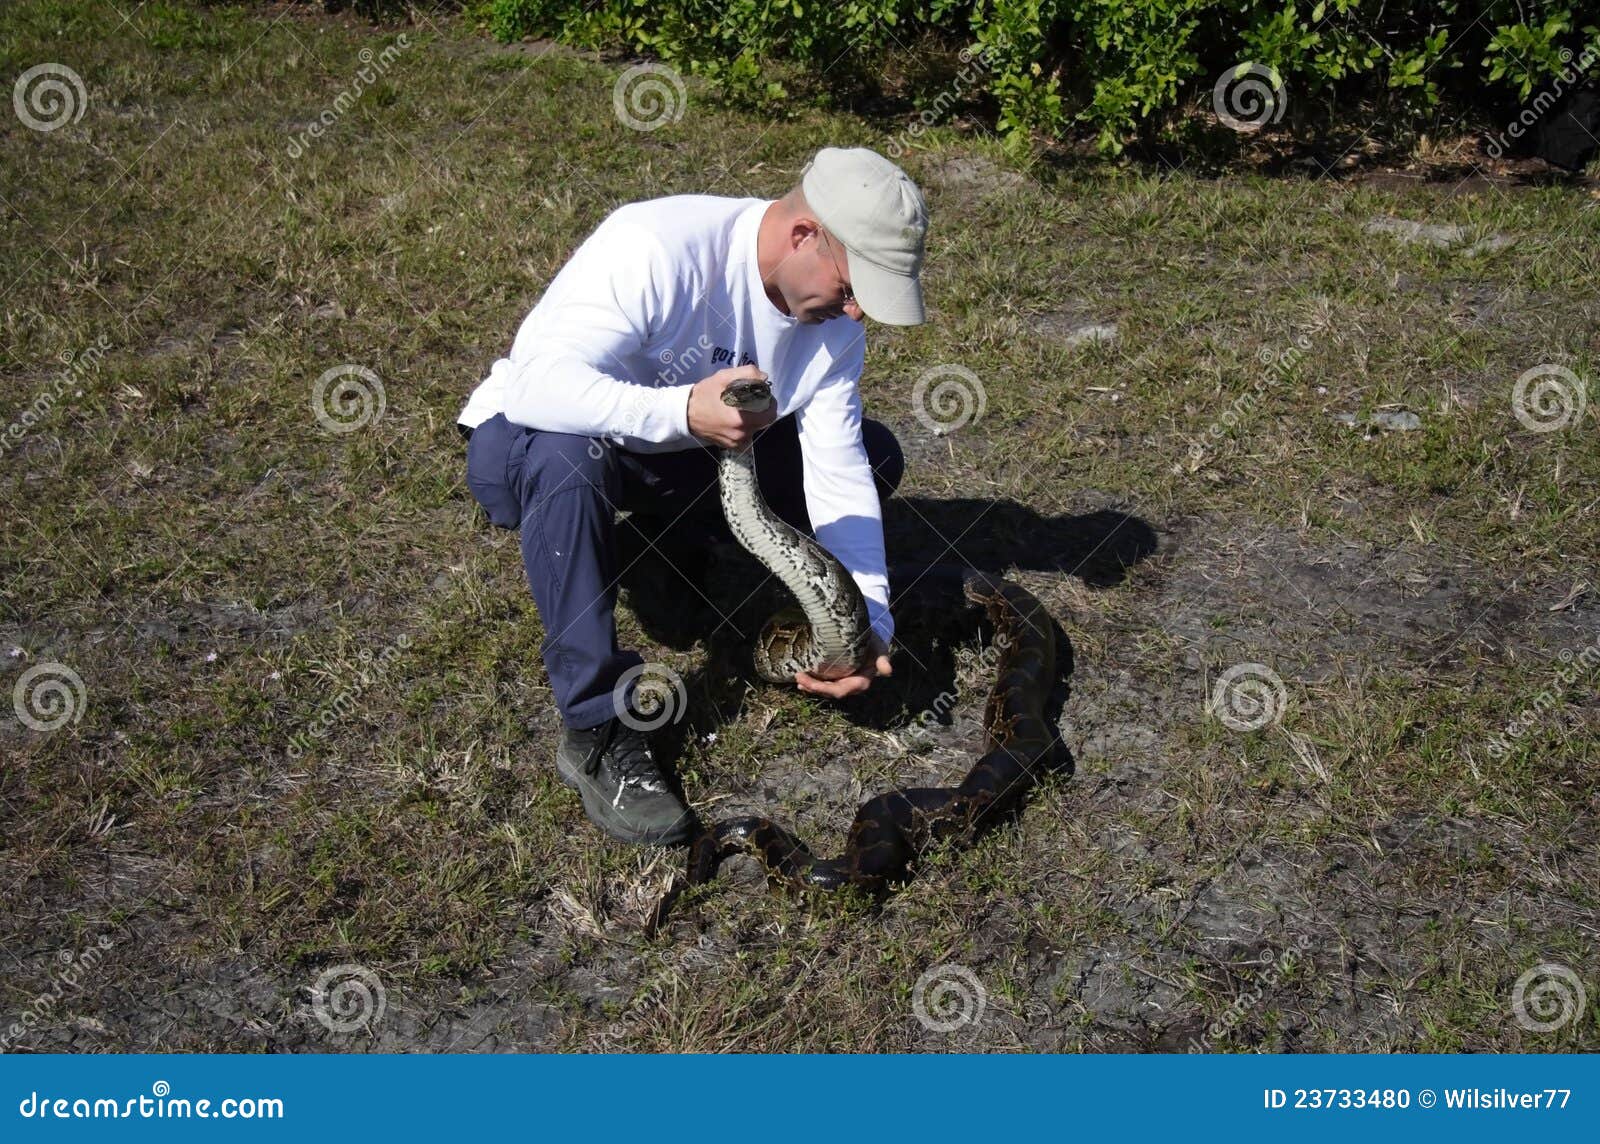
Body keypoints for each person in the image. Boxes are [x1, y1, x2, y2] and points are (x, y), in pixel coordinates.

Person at [458, 147, 928, 847]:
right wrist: (683, 412)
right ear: (805, 236)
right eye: (855, 284)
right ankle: (595, 726)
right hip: (538, 438)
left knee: (877, 449)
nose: (858, 310)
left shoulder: (834, 329)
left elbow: (837, 469)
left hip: (691, 459)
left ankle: (654, 550)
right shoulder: (658, 246)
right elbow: (537, 386)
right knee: (568, 458)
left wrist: (870, 628)